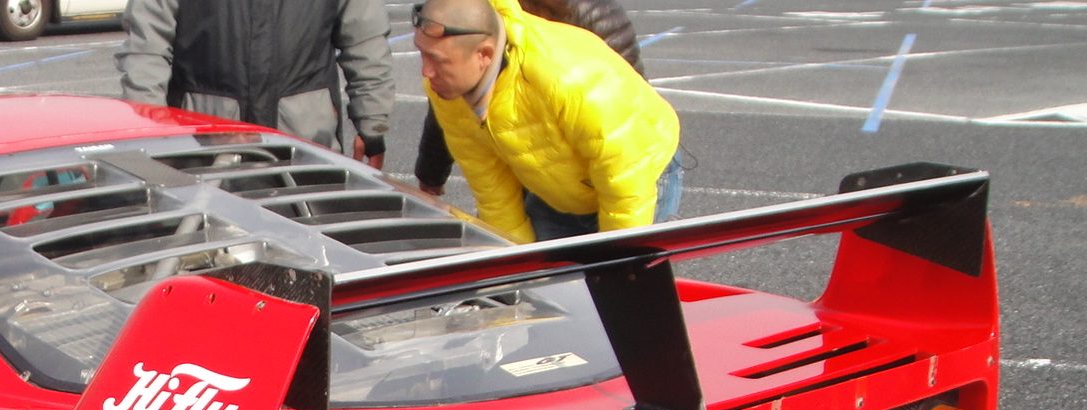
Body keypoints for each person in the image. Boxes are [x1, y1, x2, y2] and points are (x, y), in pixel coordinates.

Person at [413, 0, 680, 243]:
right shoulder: (447, 91)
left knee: (624, 285)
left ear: (484, 55)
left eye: (437, 60)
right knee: (545, 279)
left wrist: (619, 267)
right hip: (561, 177)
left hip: (637, 166)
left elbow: (625, 187)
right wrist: (517, 274)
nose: (426, 72)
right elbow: (493, 189)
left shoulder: (565, 78)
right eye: (422, 54)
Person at [117, 0, 395, 166]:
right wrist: (149, 131)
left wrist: (372, 125)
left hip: (304, 147)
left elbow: (364, 39)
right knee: (207, 256)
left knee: (308, 252)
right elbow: (146, 48)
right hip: (204, 148)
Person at [414, 0, 645, 196]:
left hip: (625, 159)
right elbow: (452, 96)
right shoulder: (483, 11)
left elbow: (629, 118)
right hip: (541, 157)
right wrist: (431, 174)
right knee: (509, 231)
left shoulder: (587, 15)